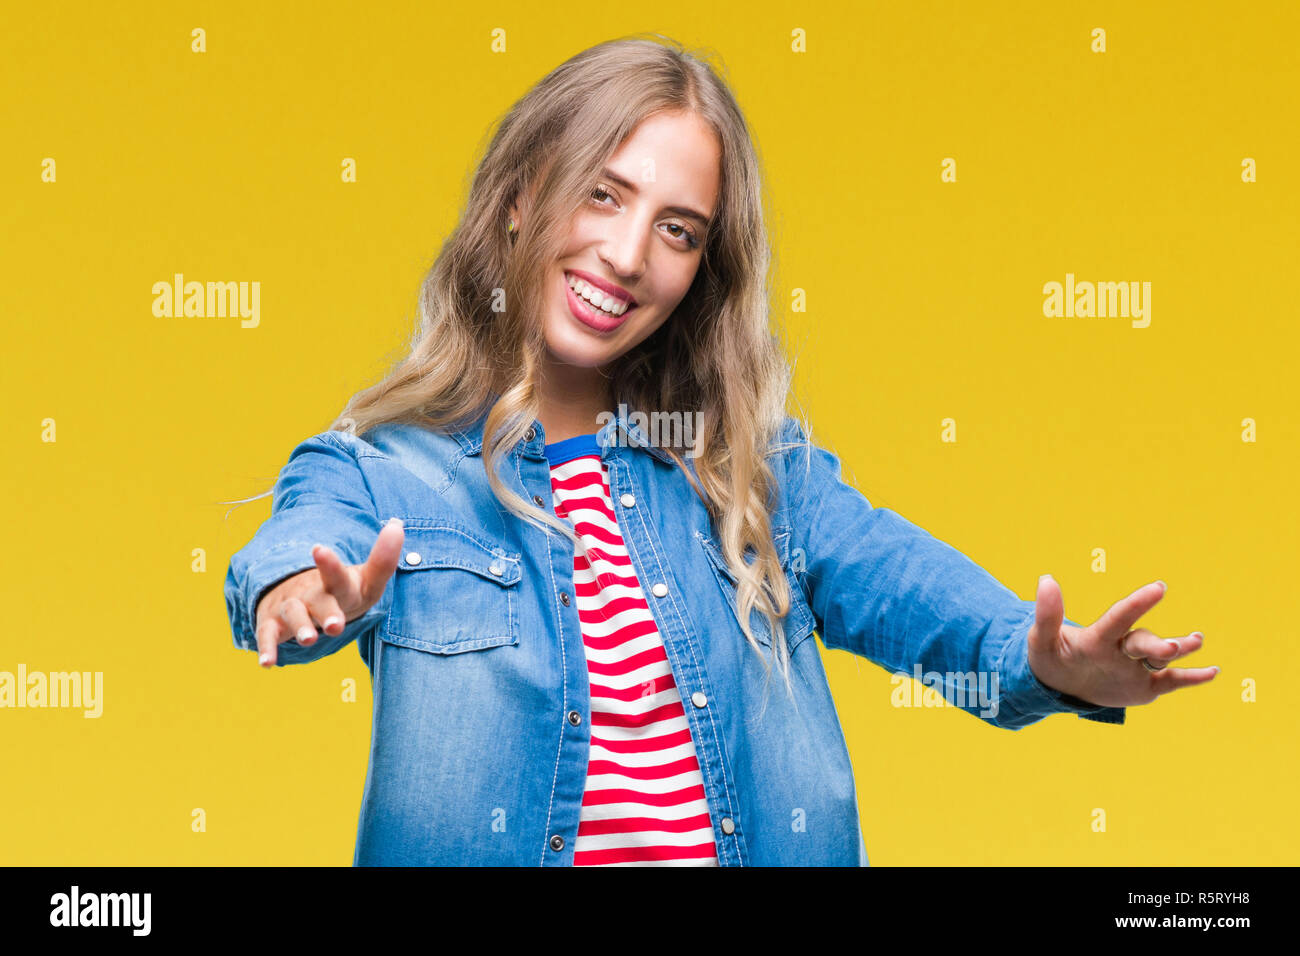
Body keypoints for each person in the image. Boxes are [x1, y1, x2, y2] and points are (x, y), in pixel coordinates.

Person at [223, 34, 1217, 867]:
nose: (627, 256)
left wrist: (1044, 662)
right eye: (601, 194)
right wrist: (297, 591)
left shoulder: (754, 475)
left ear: (703, 269)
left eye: (678, 230)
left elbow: (913, 592)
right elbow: (299, 543)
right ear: (519, 196)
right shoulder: (381, 471)